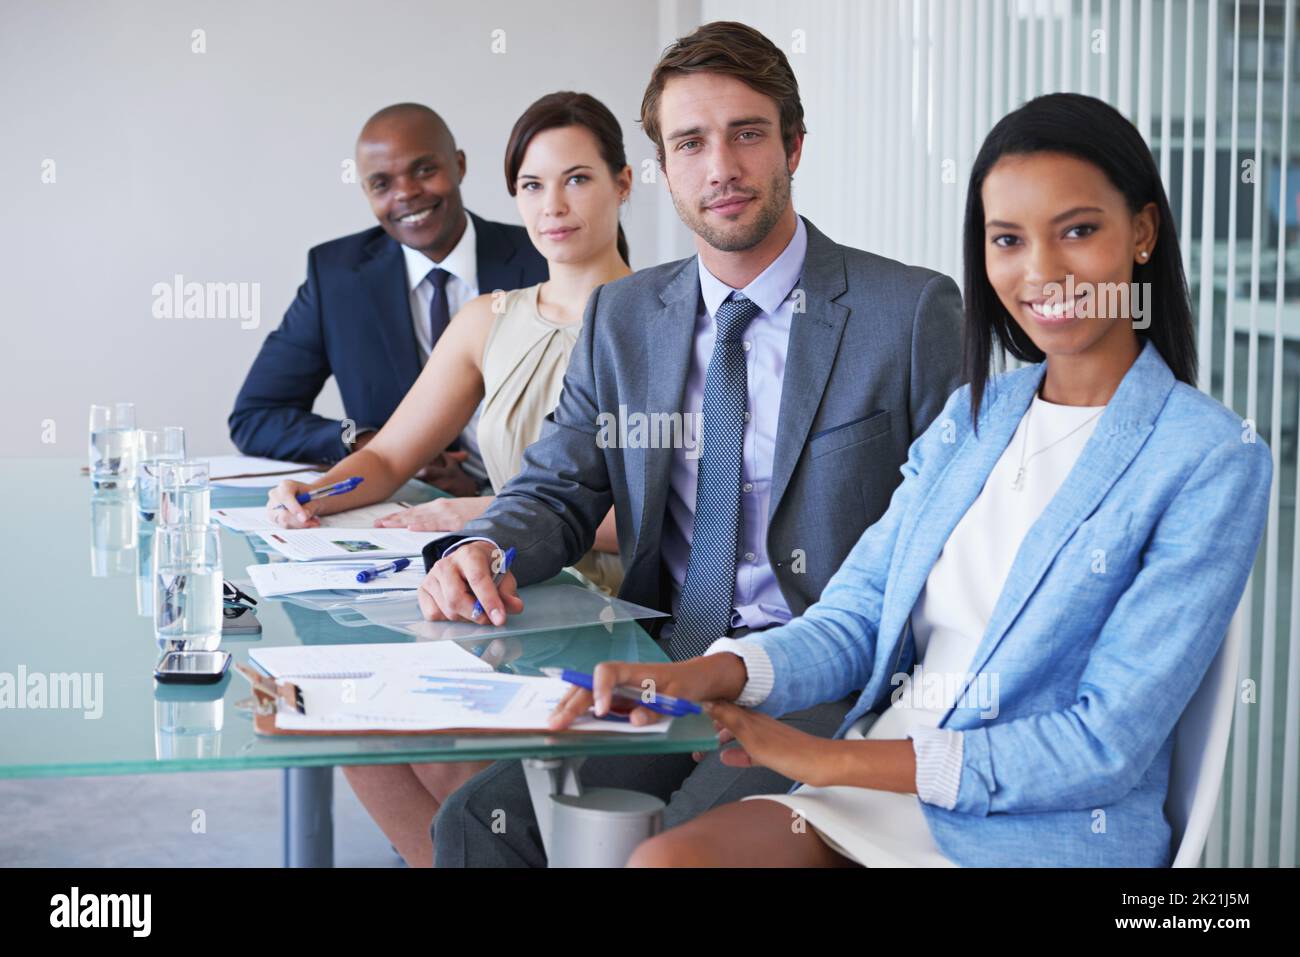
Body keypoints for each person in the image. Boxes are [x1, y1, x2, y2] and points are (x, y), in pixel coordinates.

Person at [547, 93, 1273, 868]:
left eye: (1079, 231)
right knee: (664, 862)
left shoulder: (1208, 455)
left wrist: (826, 760)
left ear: (1143, 233)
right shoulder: (976, 417)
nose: (1041, 271)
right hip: (882, 784)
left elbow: (1102, 742)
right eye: (1007, 239)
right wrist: (699, 675)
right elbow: (856, 618)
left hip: (1035, 826)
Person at [421, 20, 964, 867]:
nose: (722, 167)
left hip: (821, 685)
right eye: (691, 142)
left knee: (674, 847)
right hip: (663, 667)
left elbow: (953, 545)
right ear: (663, 168)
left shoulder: (910, 313)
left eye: (747, 134)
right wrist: (484, 543)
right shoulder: (625, 316)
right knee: (474, 825)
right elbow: (559, 486)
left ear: (793, 146)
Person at [265, 92, 633, 866]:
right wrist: (317, 492)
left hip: (611, 606)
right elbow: (391, 456)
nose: (552, 206)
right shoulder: (490, 318)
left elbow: (661, 516)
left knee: (427, 733)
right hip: (498, 592)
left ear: (623, 184)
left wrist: (478, 507)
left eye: (577, 179)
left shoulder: (663, 320)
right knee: (345, 709)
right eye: (532, 186)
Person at [229, 103, 548, 493]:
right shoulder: (336, 278)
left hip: (535, 506)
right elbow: (257, 416)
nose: (407, 194)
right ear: (366, 191)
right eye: (381, 184)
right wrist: (362, 439)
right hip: (402, 511)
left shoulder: (544, 258)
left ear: (459, 165)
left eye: (424, 170)